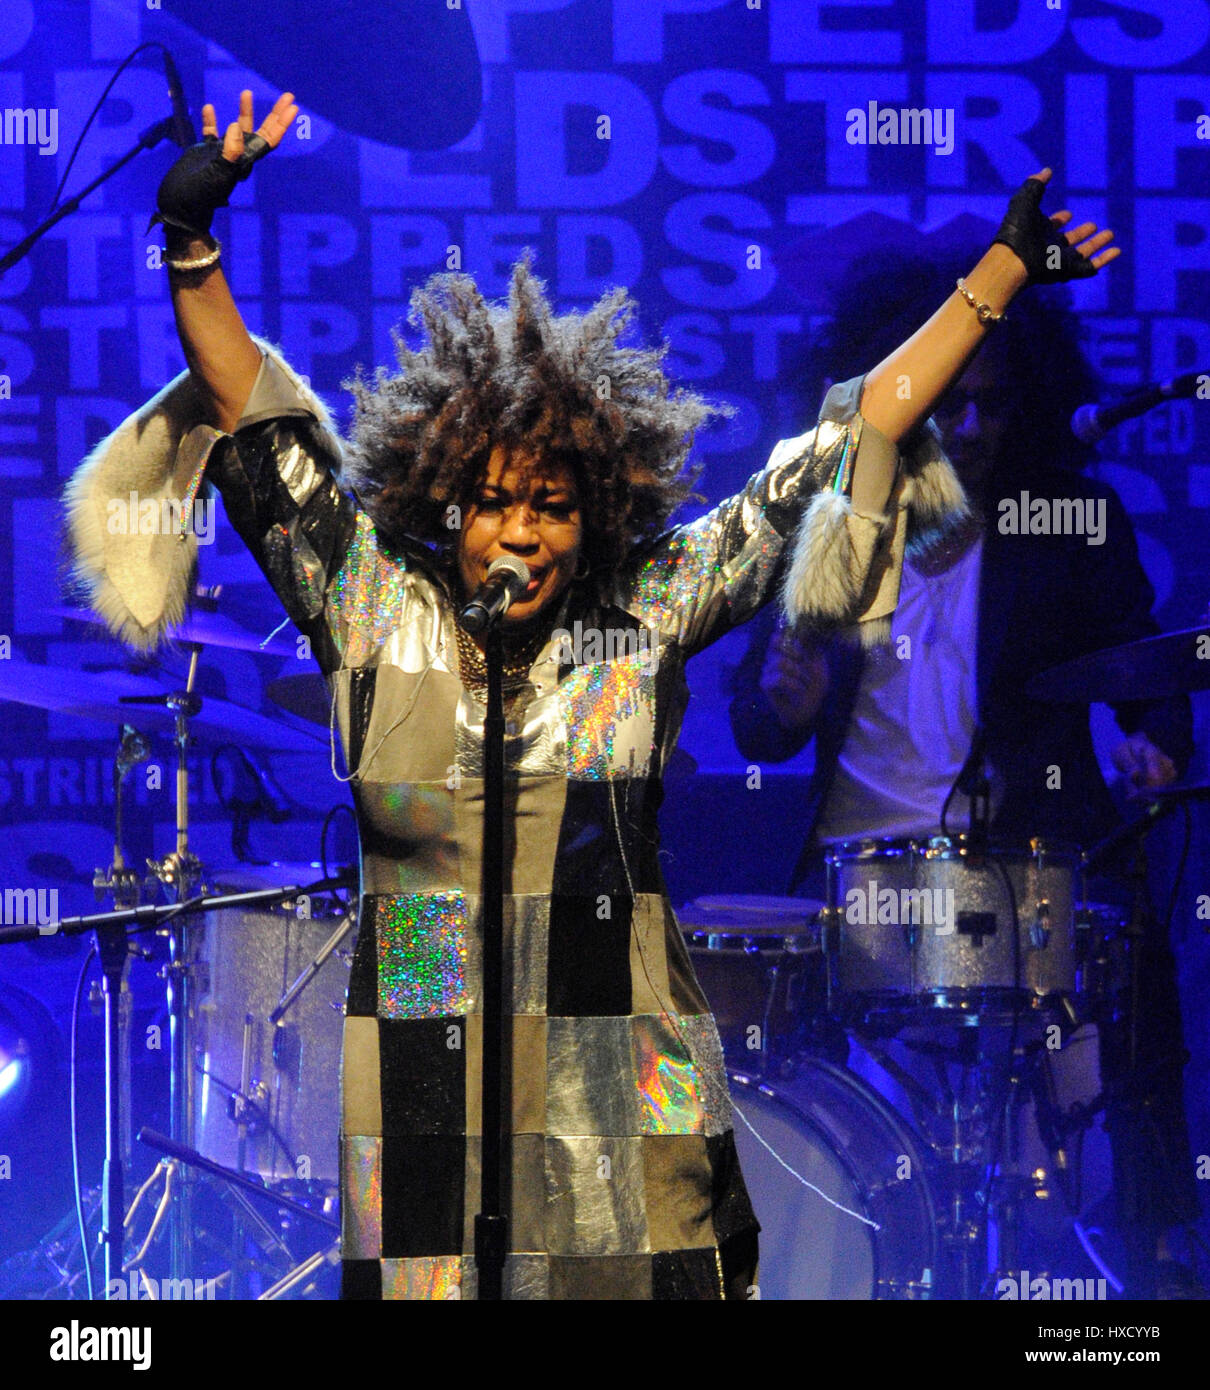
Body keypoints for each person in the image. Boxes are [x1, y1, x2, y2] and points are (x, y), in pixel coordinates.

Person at [64, 90, 1119, 1300]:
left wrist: (994, 275)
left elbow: (849, 438)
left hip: (622, 1027)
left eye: (554, 506)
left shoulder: (643, 618)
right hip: (422, 1024)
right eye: (497, 502)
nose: (521, 534)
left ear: (597, 517)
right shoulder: (369, 609)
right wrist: (190, 238)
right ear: (445, 509)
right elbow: (254, 419)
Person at [727, 256, 1199, 1296]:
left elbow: (1145, 671)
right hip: (858, 880)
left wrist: (1154, 747)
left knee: (1138, 969)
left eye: (995, 403)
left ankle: (1151, 1254)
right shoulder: (834, 522)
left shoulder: (1070, 520)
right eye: (952, 403)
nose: (975, 427)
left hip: (1026, 877)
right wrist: (783, 704)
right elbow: (756, 721)